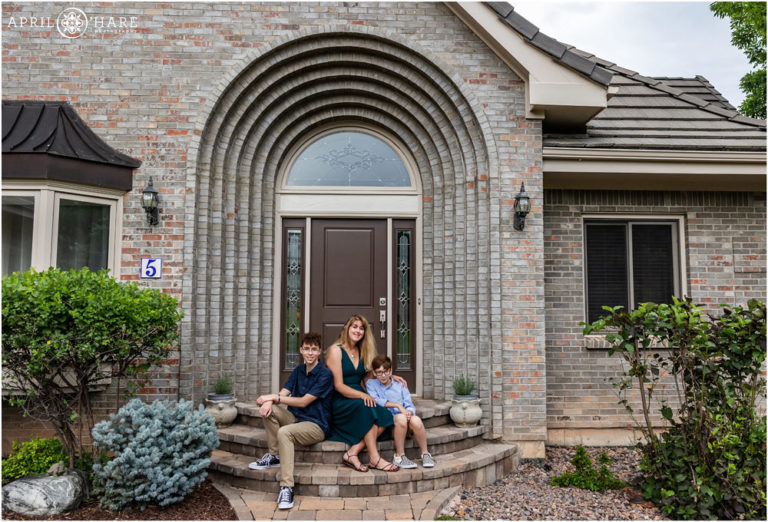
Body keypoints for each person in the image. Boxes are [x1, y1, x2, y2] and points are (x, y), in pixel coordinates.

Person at [249, 332, 333, 510]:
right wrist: (269, 400)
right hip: (296, 419)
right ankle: (274, 455)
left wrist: (272, 397)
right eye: (306, 349)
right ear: (301, 350)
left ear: (319, 352)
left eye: (314, 349)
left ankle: (287, 487)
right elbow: (284, 393)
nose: (310, 353)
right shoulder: (298, 371)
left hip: (315, 425)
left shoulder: (325, 375)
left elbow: (303, 401)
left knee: (284, 432)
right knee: (268, 409)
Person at [326, 315, 399, 472]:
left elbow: (370, 379)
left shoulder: (363, 351)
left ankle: (353, 452)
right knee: (367, 410)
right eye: (354, 327)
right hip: (340, 399)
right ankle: (375, 458)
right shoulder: (335, 351)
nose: (358, 331)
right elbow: (338, 385)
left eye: (361, 328)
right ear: (347, 328)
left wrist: (391, 378)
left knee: (385, 416)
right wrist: (363, 395)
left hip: (359, 398)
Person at [366, 354, 435, 469]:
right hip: (390, 425)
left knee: (416, 420)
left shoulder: (400, 384)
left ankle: (425, 453)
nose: (383, 376)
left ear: (391, 371)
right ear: (374, 373)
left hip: (405, 422)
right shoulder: (371, 384)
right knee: (400, 417)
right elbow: (376, 400)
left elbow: (408, 403)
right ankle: (399, 456)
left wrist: (409, 412)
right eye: (379, 372)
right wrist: (398, 406)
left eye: (386, 372)